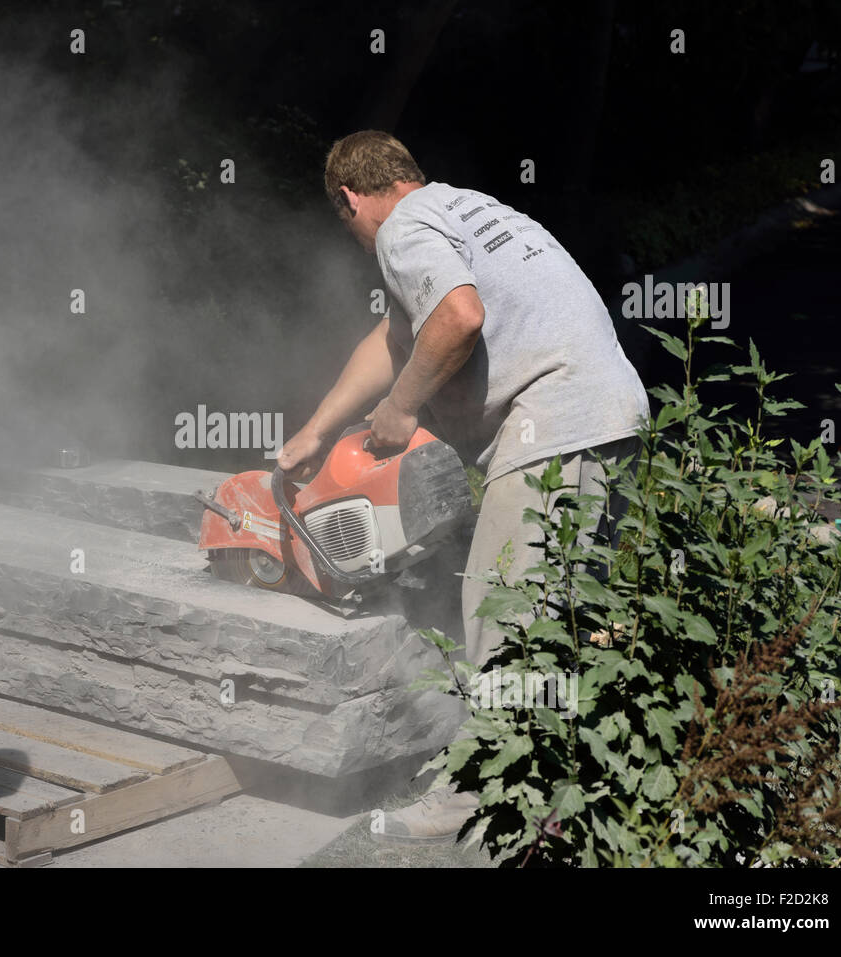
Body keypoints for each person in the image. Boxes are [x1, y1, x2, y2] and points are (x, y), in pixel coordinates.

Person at [277, 130, 648, 842]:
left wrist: (404, 407)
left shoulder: (404, 230)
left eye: (345, 221)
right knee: (561, 614)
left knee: (499, 604)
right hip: (607, 416)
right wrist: (318, 431)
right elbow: (397, 340)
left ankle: (477, 795)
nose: (355, 238)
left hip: (555, 423)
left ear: (350, 199)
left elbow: (457, 317)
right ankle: (567, 797)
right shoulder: (467, 210)